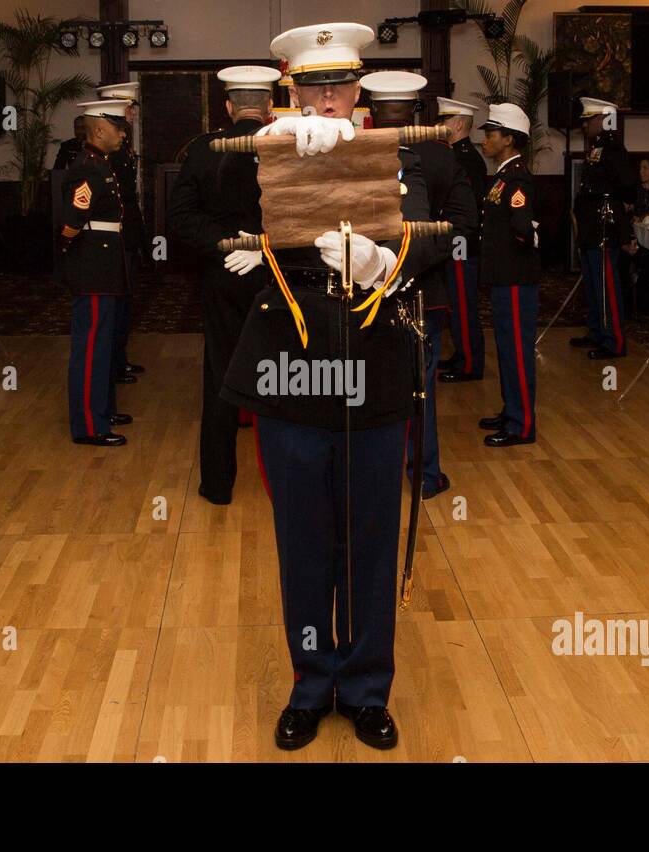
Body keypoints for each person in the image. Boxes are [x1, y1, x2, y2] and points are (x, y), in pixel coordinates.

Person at [219, 22, 443, 751]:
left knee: (372, 539)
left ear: (357, 90)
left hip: (374, 364)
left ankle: (369, 686)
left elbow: (450, 229)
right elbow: (205, 198)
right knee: (304, 540)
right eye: (309, 87)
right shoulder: (260, 151)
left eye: (337, 85)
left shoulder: (399, 154)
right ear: (291, 91)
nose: (325, 98)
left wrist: (386, 263)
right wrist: (282, 161)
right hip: (292, 363)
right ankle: (312, 683)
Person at [361, 71, 476, 499]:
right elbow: (465, 222)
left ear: (370, 110)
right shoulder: (444, 157)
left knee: (368, 387)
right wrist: (424, 252)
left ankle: (377, 479)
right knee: (419, 390)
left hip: (364, 291)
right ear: (417, 110)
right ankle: (425, 476)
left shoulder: (356, 152)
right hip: (424, 294)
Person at [167, 65, 279, 504]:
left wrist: (223, 245)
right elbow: (305, 214)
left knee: (221, 374)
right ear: (269, 106)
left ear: (229, 106)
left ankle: (217, 485)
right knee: (283, 375)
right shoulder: (286, 146)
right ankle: (283, 482)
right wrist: (265, 246)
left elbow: (180, 219)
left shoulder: (203, 149)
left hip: (224, 274)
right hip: (277, 276)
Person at [58, 99, 134, 447]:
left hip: (105, 264)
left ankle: (102, 409)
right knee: (91, 348)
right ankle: (89, 424)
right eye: (118, 127)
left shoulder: (101, 163)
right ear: (100, 128)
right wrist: (74, 257)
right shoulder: (87, 167)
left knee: (104, 344)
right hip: (93, 266)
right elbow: (71, 223)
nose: (122, 133)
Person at [476, 102, 542, 447]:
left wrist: (526, 236)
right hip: (505, 276)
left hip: (516, 277)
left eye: (491, 133)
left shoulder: (516, 178)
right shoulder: (503, 175)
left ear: (509, 139)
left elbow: (521, 225)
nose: (485, 139)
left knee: (517, 351)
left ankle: (522, 424)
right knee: (505, 348)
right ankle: (511, 410)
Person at [572, 96, 636, 360]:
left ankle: (614, 340)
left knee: (606, 285)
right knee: (592, 283)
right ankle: (597, 330)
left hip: (604, 224)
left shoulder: (612, 147)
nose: (585, 126)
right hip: (590, 225)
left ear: (602, 120)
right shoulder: (597, 147)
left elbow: (627, 184)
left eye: (589, 120)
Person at [95, 82, 148, 383]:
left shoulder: (122, 145)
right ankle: (113, 362)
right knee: (114, 303)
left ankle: (119, 357)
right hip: (113, 235)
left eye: (132, 107)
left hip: (126, 230)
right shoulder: (106, 152)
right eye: (128, 107)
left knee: (125, 300)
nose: (132, 113)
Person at [436, 96, 488, 384]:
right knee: (456, 303)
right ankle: (461, 353)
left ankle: (470, 363)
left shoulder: (465, 158)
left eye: (444, 120)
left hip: (462, 242)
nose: (440, 124)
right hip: (456, 241)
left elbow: (466, 209)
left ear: (456, 124)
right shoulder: (456, 154)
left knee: (464, 303)